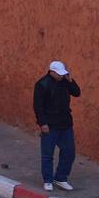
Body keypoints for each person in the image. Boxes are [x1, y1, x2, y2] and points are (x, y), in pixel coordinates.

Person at [33, 60, 81, 191]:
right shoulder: (42, 84)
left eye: (63, 74)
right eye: (59, 74)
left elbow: (77, 93)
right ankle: (48, 180)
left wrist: (70, 80)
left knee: (69, 152)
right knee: (48, 154)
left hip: (65, 123)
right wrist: (42, 123)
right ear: (52, 72)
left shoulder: (65, 82)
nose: (61, 76)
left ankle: (60, 177)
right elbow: (38, 106)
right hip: (50, 124)